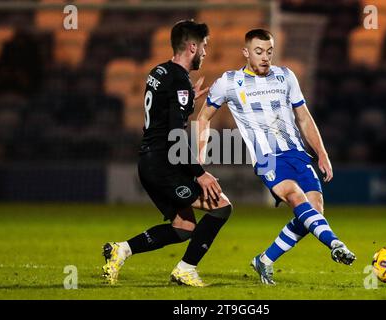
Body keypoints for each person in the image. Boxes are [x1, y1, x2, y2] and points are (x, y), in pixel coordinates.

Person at [196, 29, 355, 285]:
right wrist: (198, 160)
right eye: (259, 51)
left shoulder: (285, 76)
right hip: (267, 157)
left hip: (298, 154)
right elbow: (203, 117)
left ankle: (265, 260)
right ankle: (335, 244)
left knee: (313, 212)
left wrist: (322, 153)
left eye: (269, 51)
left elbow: (303, 117)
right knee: (295, 197)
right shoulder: (229, 81)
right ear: (246, 52)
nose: (265, 57)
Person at [102, 20, 232, 287]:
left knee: (183, 228)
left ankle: (122, 250)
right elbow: (175, 135)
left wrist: (185, 102)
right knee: (221, 207)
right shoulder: (179, 80)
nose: (206, 53)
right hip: (163, 164)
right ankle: (186, 269)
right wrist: (200, 173)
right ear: (193, 46)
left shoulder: (158, 71)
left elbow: (164, 114)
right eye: (204, 46)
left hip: (150, 160)